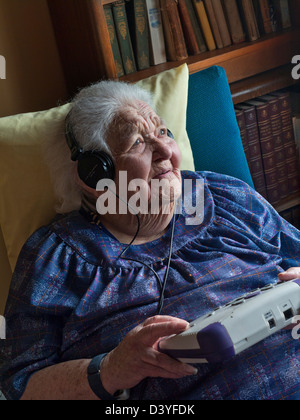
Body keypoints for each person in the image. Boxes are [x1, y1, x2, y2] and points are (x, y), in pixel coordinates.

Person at [0, 80, 300, 401]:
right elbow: (20, 384)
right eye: (137, 142)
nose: (165, 151)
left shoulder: (227, 197)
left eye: (163, 132)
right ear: (94, 175)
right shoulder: (56, 257)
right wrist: (112, 369)